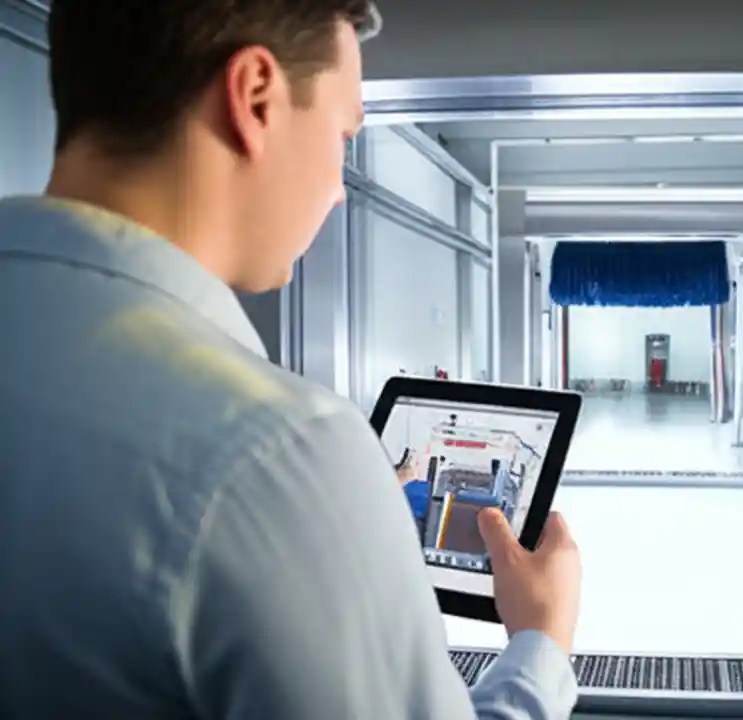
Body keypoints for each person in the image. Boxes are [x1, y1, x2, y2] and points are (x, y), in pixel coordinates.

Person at [0, 2, 582, 718]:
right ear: (254, 99)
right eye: (342, 134)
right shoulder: (277, 450)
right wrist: (541, 644)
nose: (341, 188)